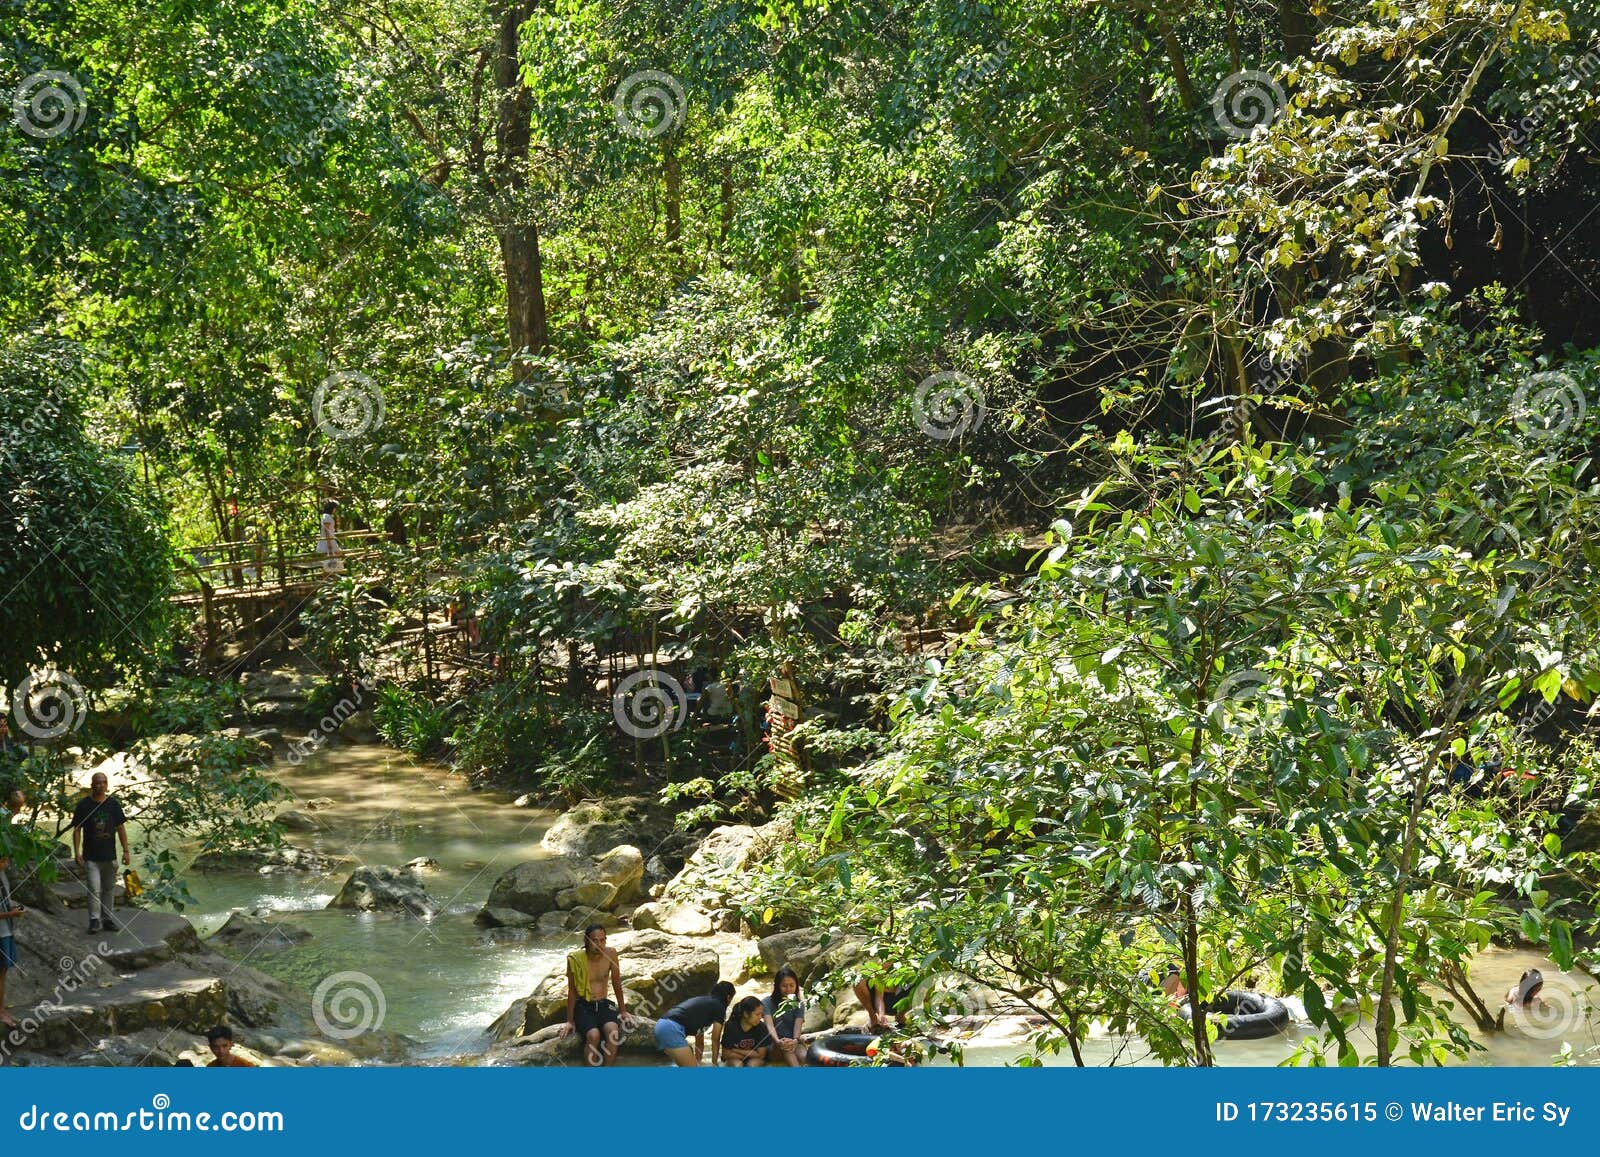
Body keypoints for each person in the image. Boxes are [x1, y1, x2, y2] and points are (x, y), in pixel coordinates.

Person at [558, 924, 635, 1066]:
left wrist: (623, 1011)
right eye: (595, 940)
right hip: (584, 1005)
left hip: (603, 1003)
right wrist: (569, 1021)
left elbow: (617, 984)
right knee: (594, 1035)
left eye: (602, 940)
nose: (599, 944)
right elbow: (572, 991)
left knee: (614, 1032)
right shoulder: (575, 959)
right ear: (587, 941)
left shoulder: (611, 954)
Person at [70, 772, 130, 934]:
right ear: (92, 785)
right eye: (97, 783)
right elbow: (77, 830)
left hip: (110, 856)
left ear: (107, 784)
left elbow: (121, 828)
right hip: (91, 857)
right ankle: (94, 920)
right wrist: (77, 852)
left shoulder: (113, 804)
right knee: (94, 889)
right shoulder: (84, 805)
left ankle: (107, 918)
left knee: (109, 889)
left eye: (103, 782)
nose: (100, 785)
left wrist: (126, 851)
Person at [654, 980, 736, 1066]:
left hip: (662, 1025)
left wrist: (698, 1062)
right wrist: (715, 1063)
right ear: (728, 997)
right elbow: (715, 1039)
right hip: (672, 1029)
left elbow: (699, 1040)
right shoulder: (719, 1007)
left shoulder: (705, 1004)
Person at [761, 965, 808, 1067]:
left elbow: (798, 1026)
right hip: (774, 1045)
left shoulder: (799, 1004)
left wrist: (795, 1040)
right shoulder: (766, 1002)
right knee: (786, 1048)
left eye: (792, 985)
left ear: (796, 986)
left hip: (793, 1043)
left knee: (804, 1056)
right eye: (784, 986)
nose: (788, 989)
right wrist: (778, 1041)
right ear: (777, 986)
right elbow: (769, 1026)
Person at [0, 842, 24, 1029]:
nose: (7, 863)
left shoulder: (3, 876)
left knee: (4, 971)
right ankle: (0, 1012)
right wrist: (11, 914)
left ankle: (2, 1009)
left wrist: (11, 910)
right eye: (4, 860)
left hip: (6, 929)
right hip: (1, 931)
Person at [720, 996, 772, 1066]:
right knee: (737, 1065)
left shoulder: (762, 1027)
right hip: (735, 1059)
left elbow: (761, 1055)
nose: (760, 1017)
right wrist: (752, 1053)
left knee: (752, 1065)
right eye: (757, 1014)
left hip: (753, 1059)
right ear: (746, 1014)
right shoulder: (731, 1026)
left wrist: (736, 1050)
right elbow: (725, 1054)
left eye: (761, 1014)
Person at [316, 500, 344, 575]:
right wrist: (329, 543)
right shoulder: (327, 517)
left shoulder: (326, 516)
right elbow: (327, 530)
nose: (335, 510)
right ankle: (330, 574)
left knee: (331, 557)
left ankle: (332, 574)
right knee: (332, 556)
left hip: (329, 539)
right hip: (328, 540)